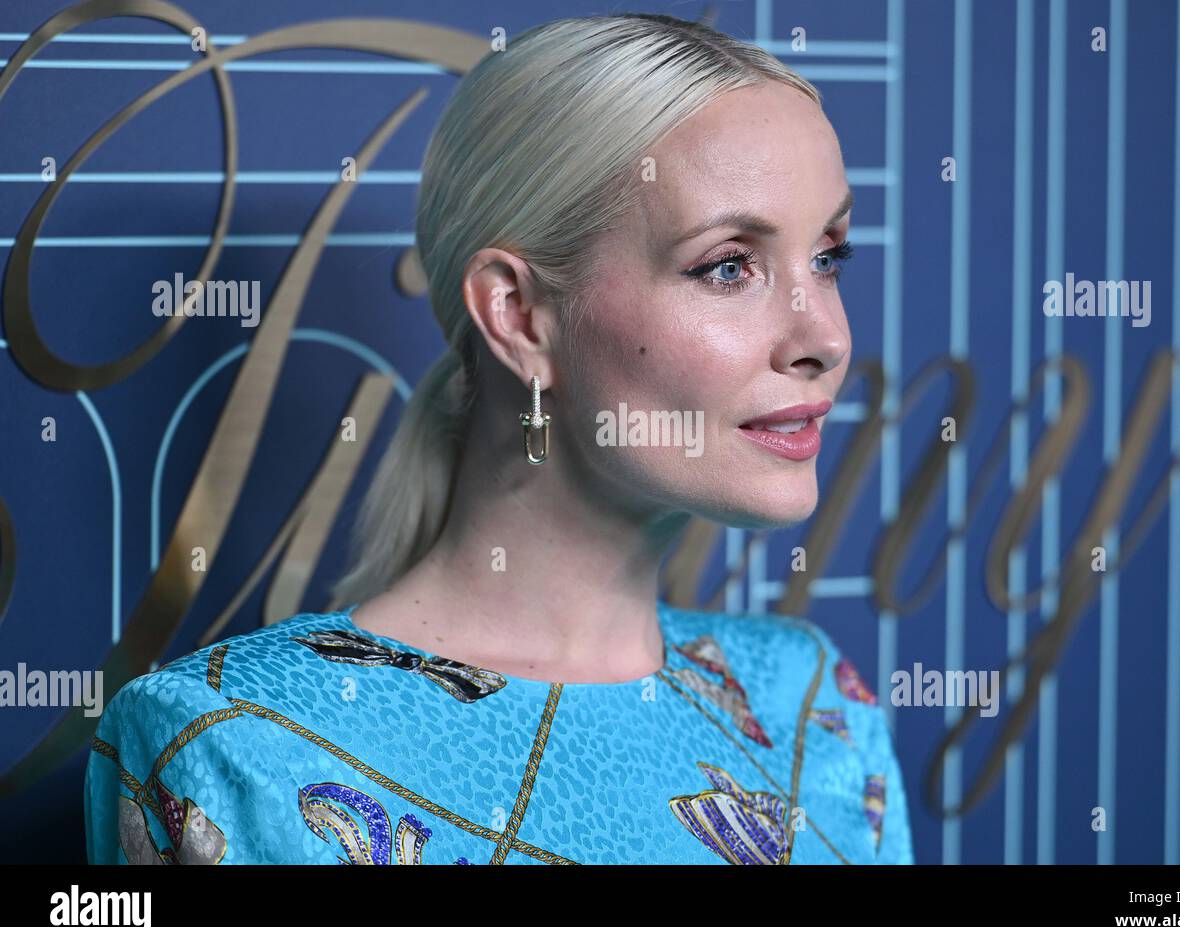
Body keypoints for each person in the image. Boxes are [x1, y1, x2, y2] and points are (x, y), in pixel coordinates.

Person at [85, 12, 912, 865]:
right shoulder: (232, 744)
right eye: (729, 265)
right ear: (518, 316)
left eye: (828, 257)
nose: (827, 337)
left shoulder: (818, 711)